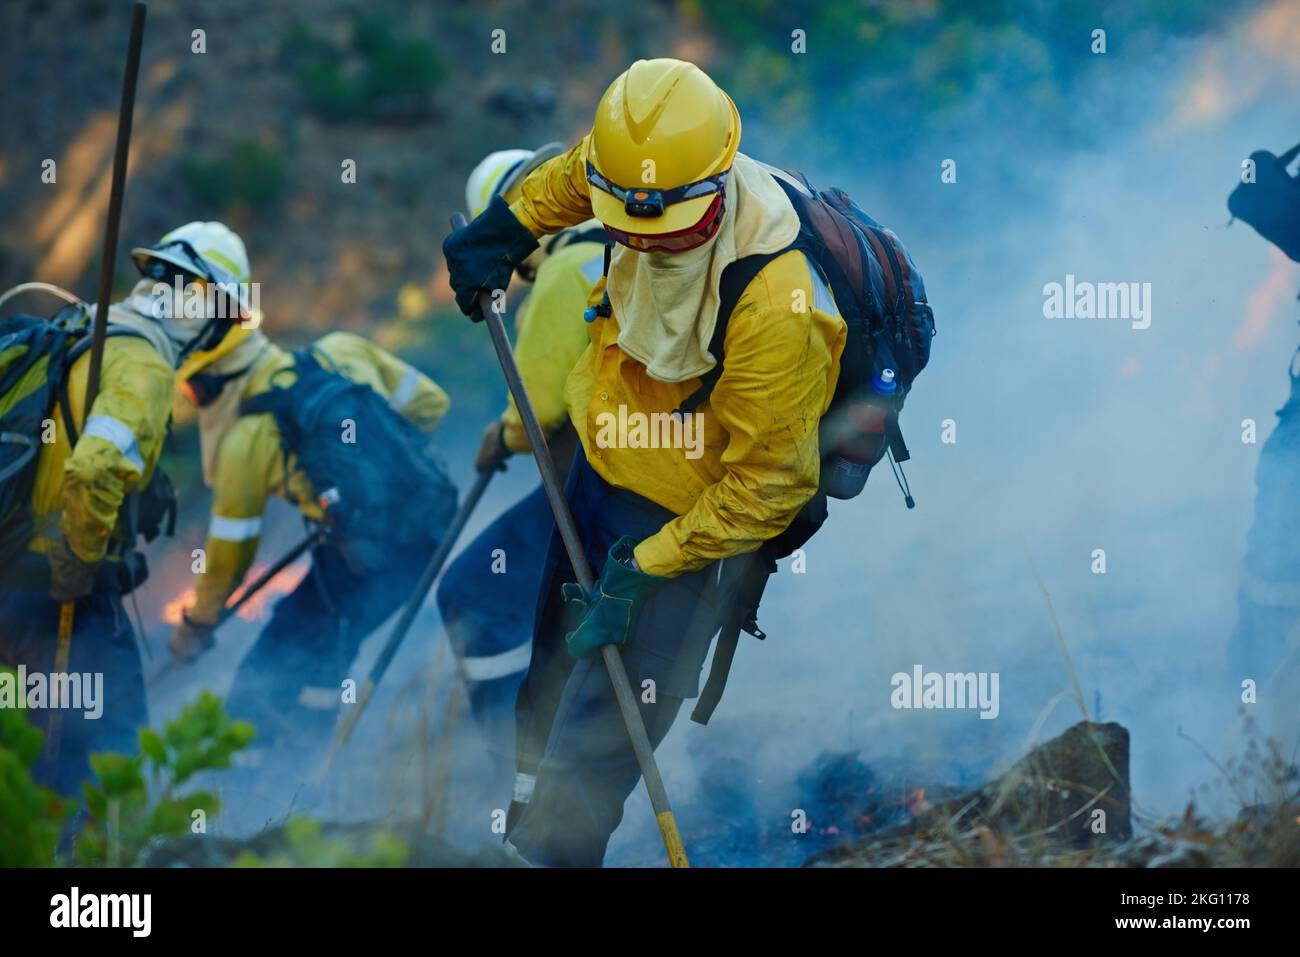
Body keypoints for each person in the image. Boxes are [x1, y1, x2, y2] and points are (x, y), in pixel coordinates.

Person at [443, 58, 847, 865]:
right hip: (601, 475)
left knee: (595, 748)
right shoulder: (635, 166)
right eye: (622, 220)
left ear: (714, 181)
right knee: (546, 683)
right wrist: (505, 229)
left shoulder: (777, 301)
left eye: (659, 227)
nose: (634, 239)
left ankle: (551, 851)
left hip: (687, 531)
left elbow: (773, 484)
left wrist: (647, 566)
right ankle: (521, 825)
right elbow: (569, 180)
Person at [153, 224, 457, 790]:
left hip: (368, 562)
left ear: (208, 378)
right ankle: (307, 780)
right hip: (433, 532)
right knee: (316, 651)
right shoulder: (341, 351)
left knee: (262, 680)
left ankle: (274, 796)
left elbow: (226, 561)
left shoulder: (246, 437)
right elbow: (432, 406)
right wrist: (379, 479)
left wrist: (194, 627)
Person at [0, 240, 193, 794]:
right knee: (105, 759)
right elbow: (97, 466)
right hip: (59, 601)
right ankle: (100, 876)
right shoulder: (144, 362)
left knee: (22, 755)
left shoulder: (75, 336)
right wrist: (79, 559)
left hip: (10, 585)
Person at [436, 144, 605, 773]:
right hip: (641, 480)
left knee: (471, 596)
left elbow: (537, 405)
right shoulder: (618, 245)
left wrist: (500, 437)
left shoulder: (567, 267)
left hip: (594, 489)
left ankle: (518, 763)